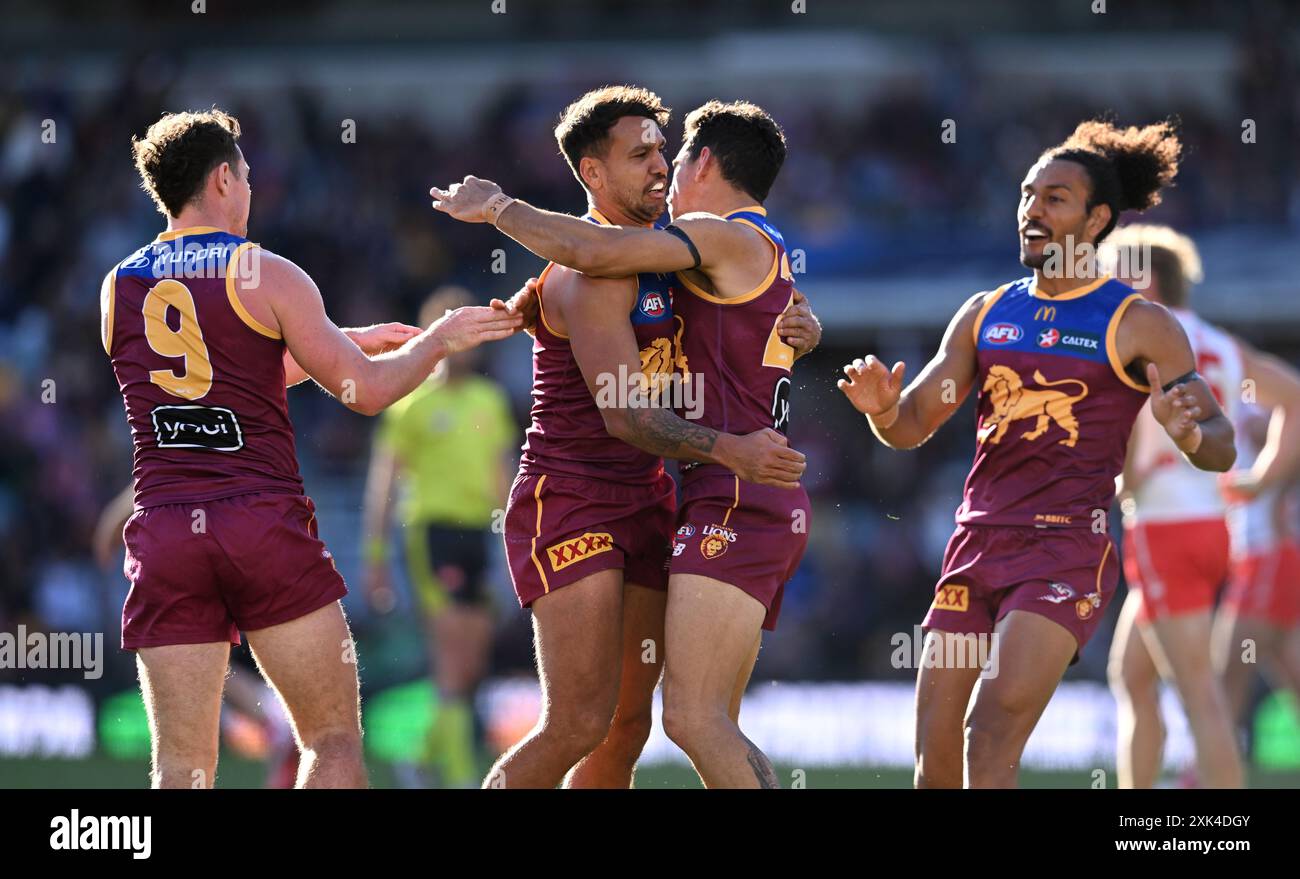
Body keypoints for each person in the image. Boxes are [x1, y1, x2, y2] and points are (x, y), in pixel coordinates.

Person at [103, 108, 522, 788]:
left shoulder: (118, 284)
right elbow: (369, 392)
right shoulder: (268, 273)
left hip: (167, 529)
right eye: (245, 176)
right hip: (259, 521)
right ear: (222, 179)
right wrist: (438, 340)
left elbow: (222, 377)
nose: (250, 189)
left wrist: (340, 339)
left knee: (180, 765)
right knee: (331, 743)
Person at [836, 120, 1236, 788]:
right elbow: (912, 424)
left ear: (1097, 218)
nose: (1031, 210)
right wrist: (882, 408)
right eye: (1027, 195)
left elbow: (1222, 447)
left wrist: (1190, 431)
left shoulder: (1139, 323)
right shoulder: (985, 312)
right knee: (934, 756)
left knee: (990, 732)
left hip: (1064, 551)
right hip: (975, 543)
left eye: (1054, 198)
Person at [432, 97, 817, 788]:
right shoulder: (593, 268)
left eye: (664, 150)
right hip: (573, 498)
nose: (660, 166)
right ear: (593, 172)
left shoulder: (670, 254)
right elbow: (626, 416)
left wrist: (802, 324)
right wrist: (729, 449)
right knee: (579, 721)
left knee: (629, 725)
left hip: (650, 497)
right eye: (640, 155)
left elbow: (744, 307)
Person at [1104, 224, 1300, 788]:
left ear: (1142, 279)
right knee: (1133, 676)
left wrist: (1123, 482)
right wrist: (1260, 481)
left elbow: (1133, 443)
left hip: (1166, 527)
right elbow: (1293, 399)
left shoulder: (1139, 339)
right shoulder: (1221, 343)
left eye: (1112, 274)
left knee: (1201, 694)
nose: (1104, 288)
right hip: (1215, 526)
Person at [362, 285, 519, 787]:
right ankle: (460, 776)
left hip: (479, 536)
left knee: (470, 664)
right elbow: (385, 482)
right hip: (433, 536)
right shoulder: (410, 403)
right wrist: (375, 556)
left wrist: (517, 539)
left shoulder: (489, 401)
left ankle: (422, 757)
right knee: (453, 661)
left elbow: (503, 477)